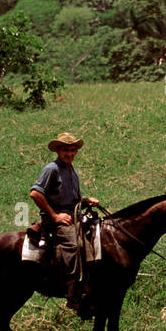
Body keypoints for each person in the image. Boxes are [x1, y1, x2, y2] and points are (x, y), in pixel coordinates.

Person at [30, 132, 100, 310]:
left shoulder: (71, 169)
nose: (70, 153)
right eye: (66, 150)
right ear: (58, 151)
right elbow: (35, 193)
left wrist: (85, 201)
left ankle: (91, 285)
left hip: (74, 215)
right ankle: (73, 293)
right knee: (75, 245)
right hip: (58, 220)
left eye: (72, 150)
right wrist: (55, 216)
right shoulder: (51, 169)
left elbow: (71, 199)